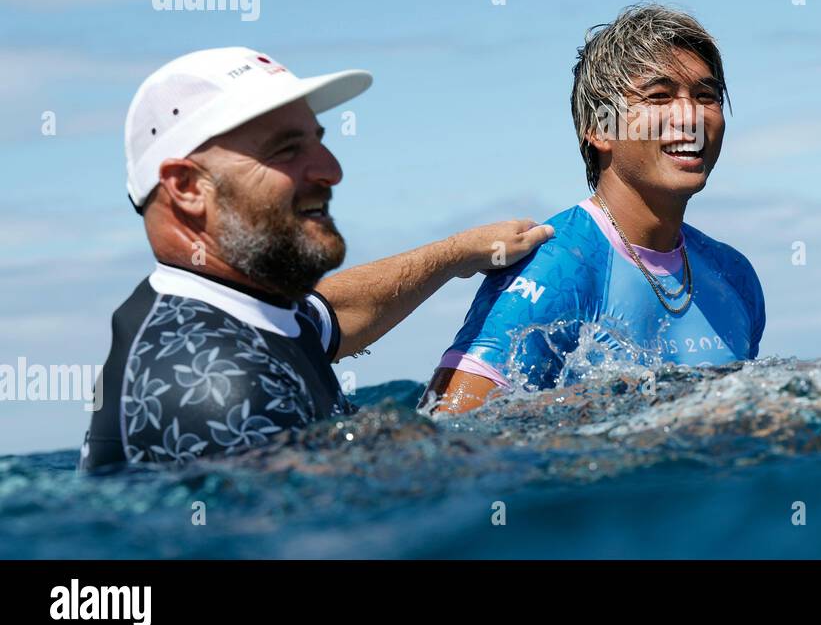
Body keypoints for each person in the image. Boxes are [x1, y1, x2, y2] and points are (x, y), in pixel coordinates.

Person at [81, 47, 552, 470]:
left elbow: (332, 313)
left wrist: (458, 253)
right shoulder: (217, 390)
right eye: (286, 150)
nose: (332, 170)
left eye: (317, 140)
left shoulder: (235, 311)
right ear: (187, 188)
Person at [421, 3, 765, 414]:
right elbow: (449, 433)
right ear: (601, 128)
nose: (689, 116)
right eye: (659, 96)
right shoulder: (554, 268)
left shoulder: (735, 276)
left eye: (705, 96)